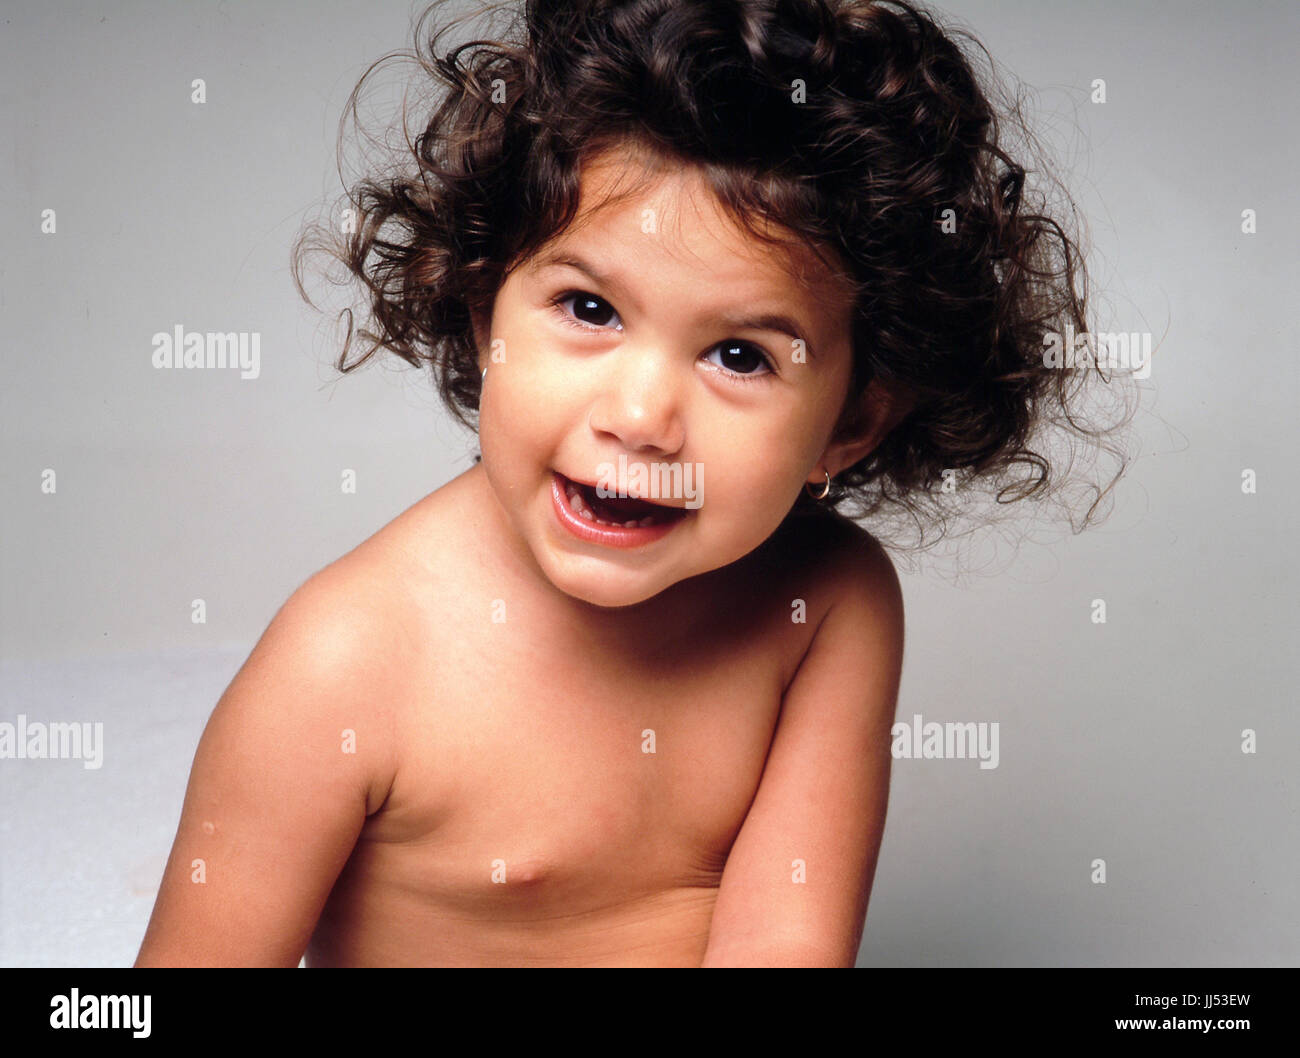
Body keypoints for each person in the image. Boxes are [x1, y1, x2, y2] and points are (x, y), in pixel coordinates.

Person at [135, 0, 1128, 967]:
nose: (642, 415)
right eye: (590, 307)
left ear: (850, 422)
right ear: (484, 309)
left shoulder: (824, 600)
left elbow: (785, 939)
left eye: (739, 354)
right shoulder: (346, 659)